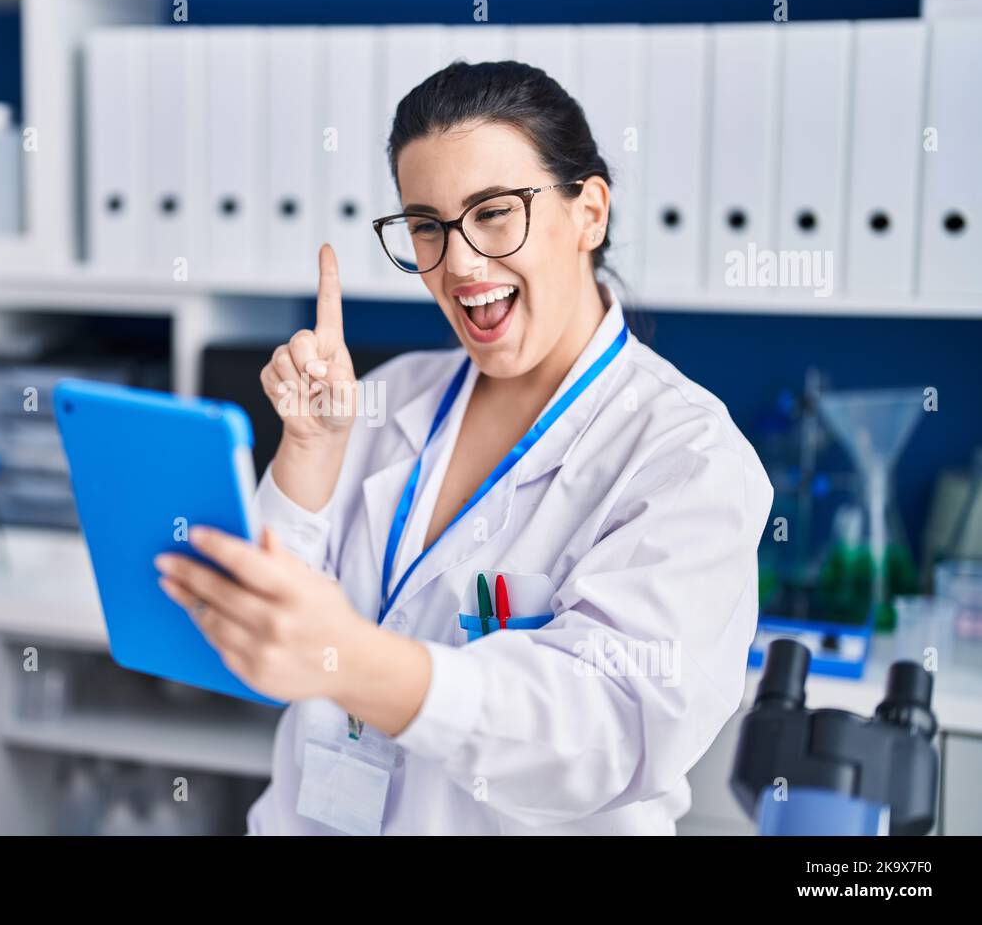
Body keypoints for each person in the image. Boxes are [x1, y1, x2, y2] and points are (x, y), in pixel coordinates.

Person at [154, 60, 773, 834]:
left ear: (590, 213)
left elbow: (607, 731)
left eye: (494, 213)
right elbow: (265, 631)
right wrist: (308, 449)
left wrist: (357, 659)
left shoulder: (685, 455)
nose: (461, 265)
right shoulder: (391, 395)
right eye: (427, 227)